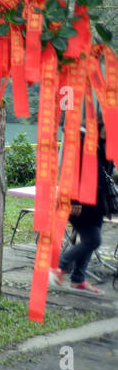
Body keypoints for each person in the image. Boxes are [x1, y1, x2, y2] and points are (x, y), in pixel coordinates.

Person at [52, 122, 114, 294]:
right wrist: (74, 201)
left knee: (90, 242)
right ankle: (60, 266)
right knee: (93, 240)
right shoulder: (82, 145)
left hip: (98, 205)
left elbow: (106, 174)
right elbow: (70, 173)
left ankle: (78, 279)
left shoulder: (104, 148)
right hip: (80, 204)